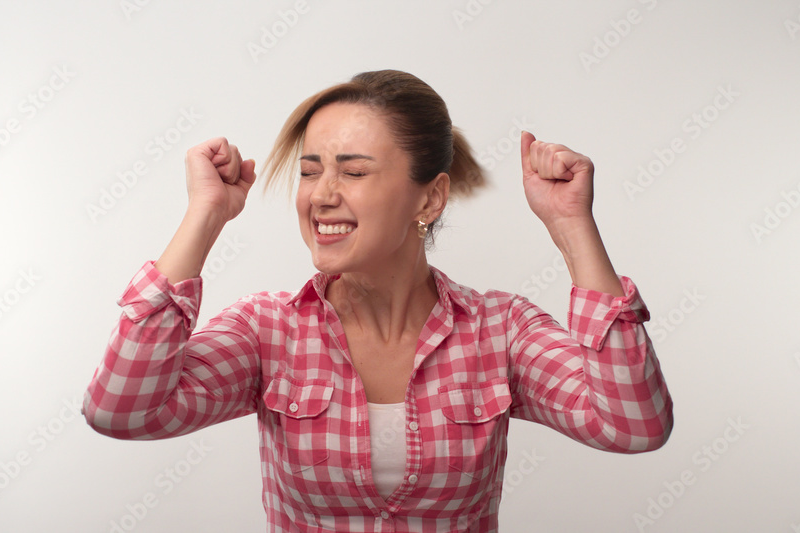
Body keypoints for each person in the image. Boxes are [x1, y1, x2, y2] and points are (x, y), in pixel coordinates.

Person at [82, 69, 673, 532]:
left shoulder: (501, 329)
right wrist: (204, 216)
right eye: (310, 172)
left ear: (430, 198)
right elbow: (121, 411)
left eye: (354, 172)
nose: (322, 195)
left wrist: (572, 226)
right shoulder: (268, 329)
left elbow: (634, 426)